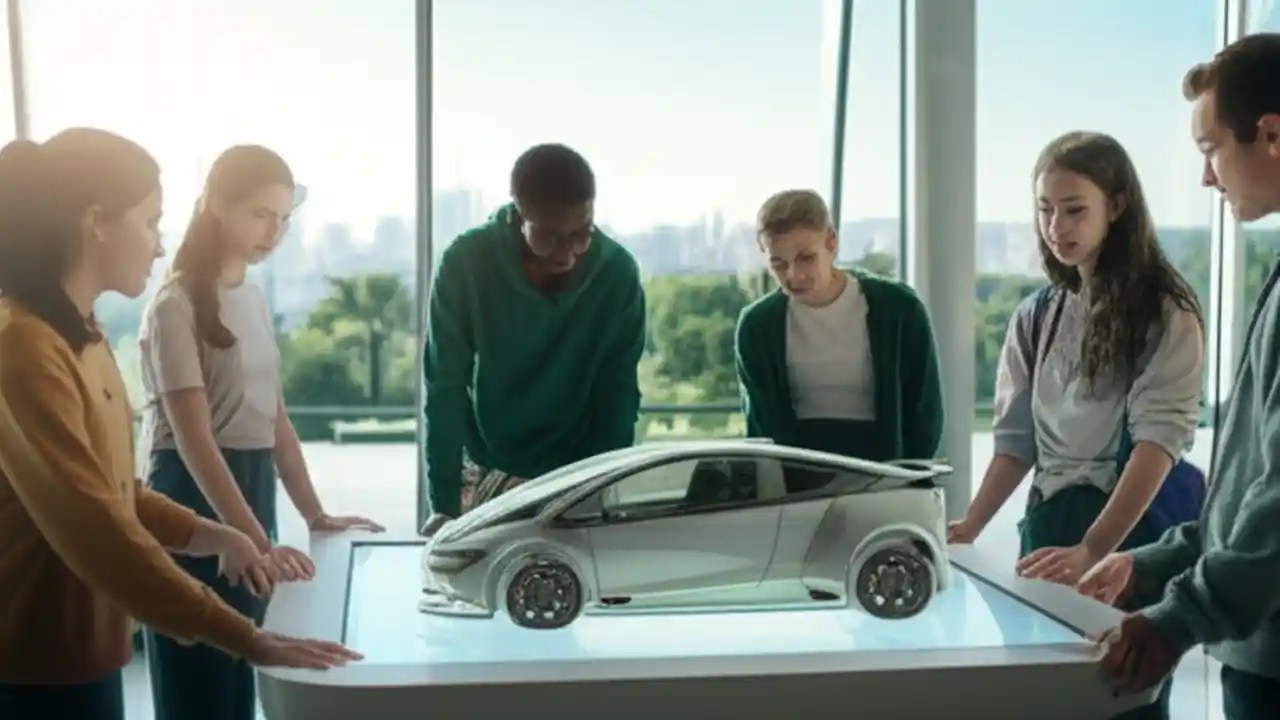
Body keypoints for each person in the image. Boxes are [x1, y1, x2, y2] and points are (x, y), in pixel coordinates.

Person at [0, 129, 359, 720]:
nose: (159, 245)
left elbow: (119, 494)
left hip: (83, 648)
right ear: (96, 223)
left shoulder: (83, 339)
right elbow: (97, 526)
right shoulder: (25, 347)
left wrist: (214, 534)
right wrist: (247, 637)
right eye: (149, 223)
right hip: (31, 658)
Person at [138, 144, 383, 720]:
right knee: (197, 672)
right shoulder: (173, 306)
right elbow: (194, 440)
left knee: (242, 672)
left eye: (284, 218)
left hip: (247, 492)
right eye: (260, 214)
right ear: (215, 206)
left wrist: (315, 514)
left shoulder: (249, 297)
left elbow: (276, 424)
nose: (274, 231)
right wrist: (254, 538)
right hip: (193, 498)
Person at [1079, 34, 1280, 720]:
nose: (1206, 177)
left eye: (1209, 149)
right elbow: (1250, 484)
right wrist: (1154, 563)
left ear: (1272, 135)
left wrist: (1177, 618)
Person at [419, 143, 645, 535]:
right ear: (518, 213)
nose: (567, 255)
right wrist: (443, 506)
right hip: (487, 463)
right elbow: (445, 388)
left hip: (579, 470)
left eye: (581, 235)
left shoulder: (617, 273)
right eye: (550, 237)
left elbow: (618, 396)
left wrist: (604, 494)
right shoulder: (466, 261)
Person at [734, 189, 943, 464]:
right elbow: (761, 426)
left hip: (887, 476)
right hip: (795, 479)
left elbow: (925, 412)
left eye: (806, 258)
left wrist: (905, 481)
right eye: (778, 263)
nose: (793, 275)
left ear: (832, 243)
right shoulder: (757, 327)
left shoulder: (899, 310)